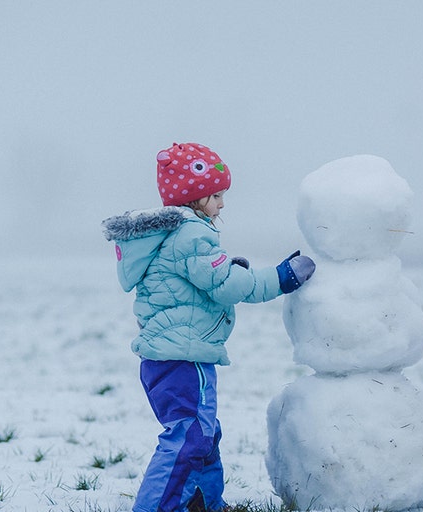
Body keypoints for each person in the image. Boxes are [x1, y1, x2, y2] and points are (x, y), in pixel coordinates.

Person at [102, 142, 316, 512]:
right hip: (184, 358)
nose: (221, 204)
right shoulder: (192, 235)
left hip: (167, 358)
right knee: (188, 436)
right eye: (215, 195)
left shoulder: (172, 236)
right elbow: (226, 286)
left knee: (203, 434)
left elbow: (197, 277)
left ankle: (201, 502)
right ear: (195, 198)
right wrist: (280, 279)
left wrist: (229, 266)